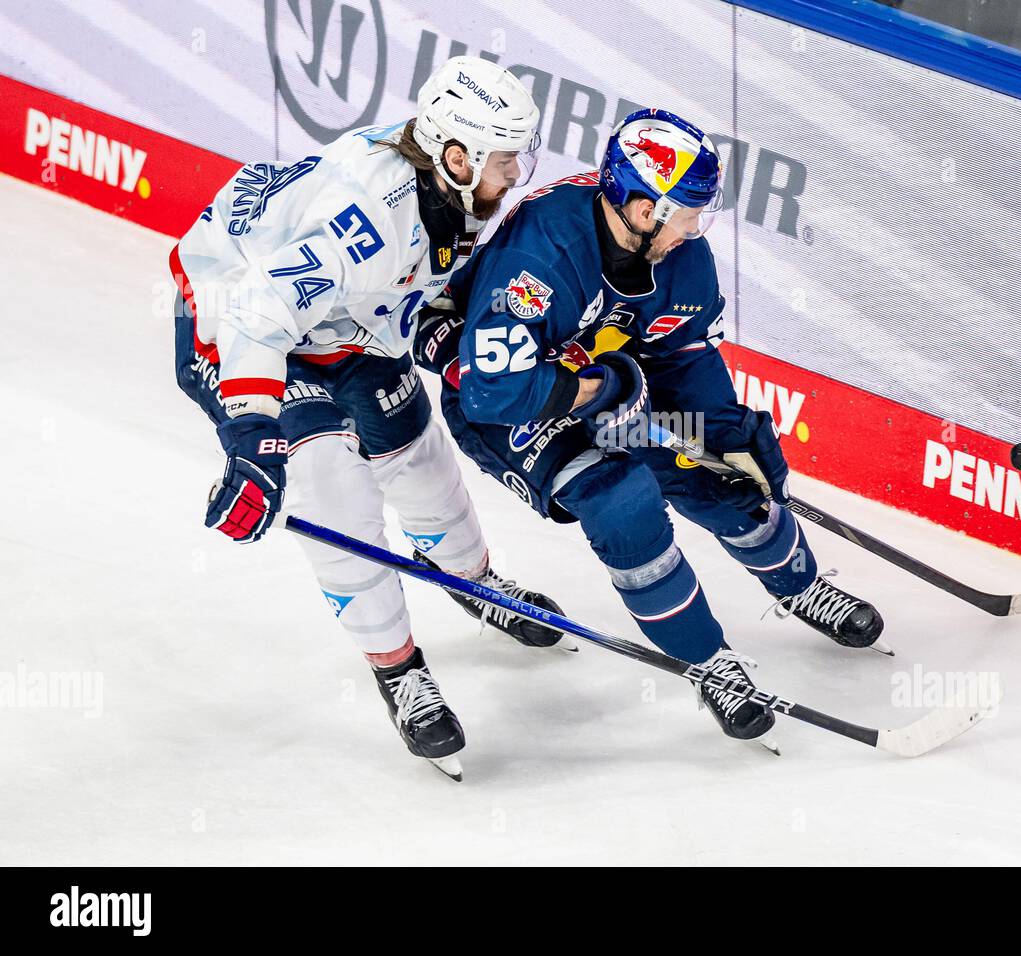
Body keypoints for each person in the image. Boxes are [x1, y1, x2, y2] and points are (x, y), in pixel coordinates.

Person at [415, 108, 890, 749]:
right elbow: (496, 391)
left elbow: (682, 354)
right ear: (643, 209)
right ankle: (710, 662)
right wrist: (608, 386)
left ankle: (805, 588)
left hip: (609, 373)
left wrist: (726, 433)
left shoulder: (680, 256)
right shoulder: (542, 255)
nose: (698, 228)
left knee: (724, 477)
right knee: (621, 500)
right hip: (507, 404)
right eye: (688, 211)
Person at [170, 56, 568, 780]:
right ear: (457, 156)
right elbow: (260, 313)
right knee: (332, 484)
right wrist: (253, 439)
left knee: (416, 455)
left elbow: (423, 275)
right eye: (507, 159)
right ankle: (398, 668)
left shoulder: (449, 184)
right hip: (236, 321)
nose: (518, 173)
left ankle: (473, 579)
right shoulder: (368, 221)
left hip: (346, 321)